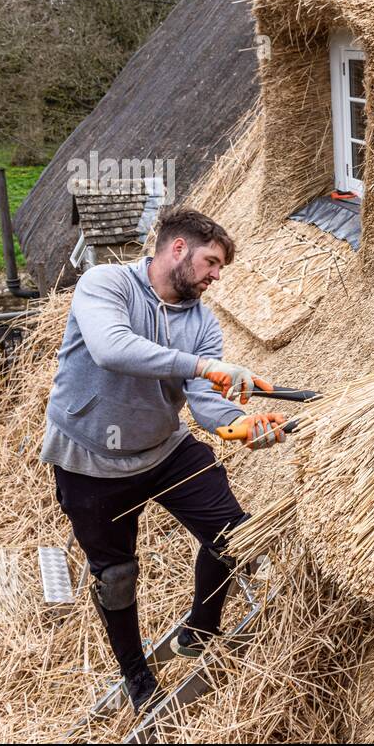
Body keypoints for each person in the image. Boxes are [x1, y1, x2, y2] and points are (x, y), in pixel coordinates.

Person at [41, 207, 286, 713]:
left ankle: (201, 626)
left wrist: (234, 426)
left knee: (234, 536)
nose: (216, 276)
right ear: (178, 249)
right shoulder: (106, 283)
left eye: (220, 267)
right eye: (211, 262)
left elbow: (203, 398)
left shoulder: (202, 323)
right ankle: (138, 680)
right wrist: (202, 365)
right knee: (116, 577)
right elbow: (112, 348)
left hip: (165, 449)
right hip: (90, 462)